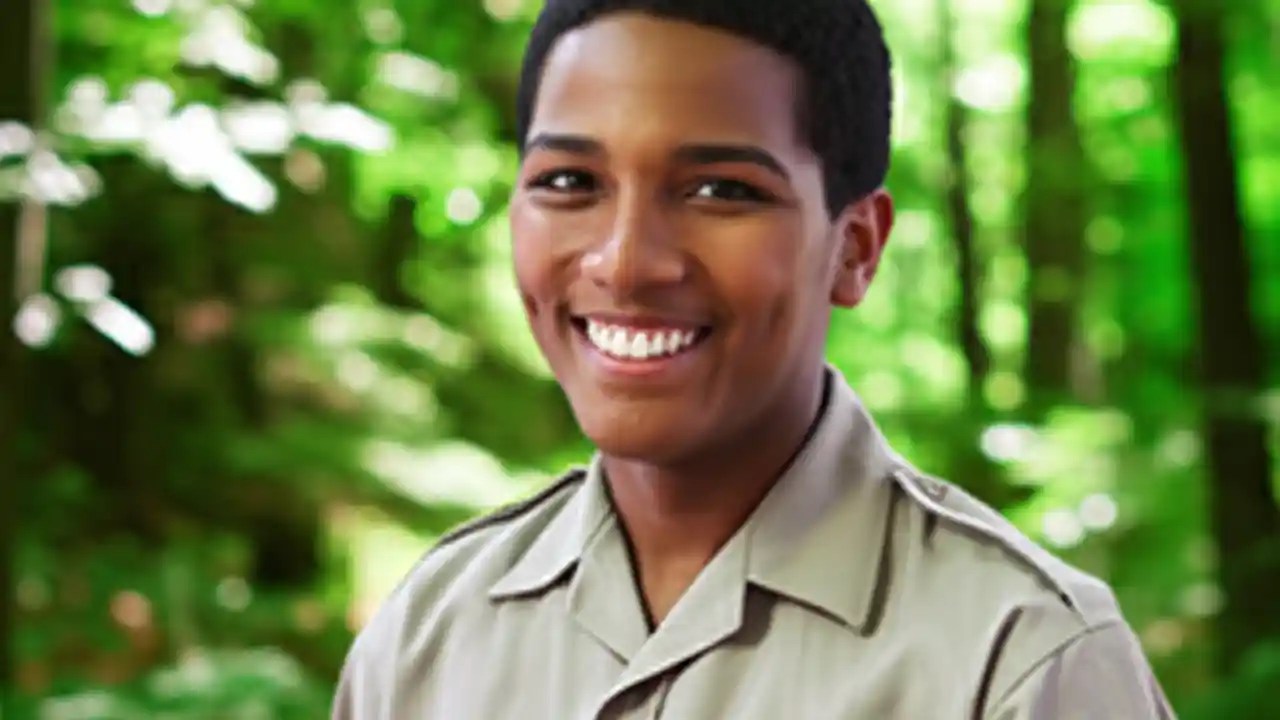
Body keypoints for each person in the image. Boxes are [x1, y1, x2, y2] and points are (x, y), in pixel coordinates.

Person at [332, 0, 1175, 717]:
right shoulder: (427, 638)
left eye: (721, 191)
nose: (625, 262)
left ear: (855, 247)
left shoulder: (1023, 659)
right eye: (568, 182)